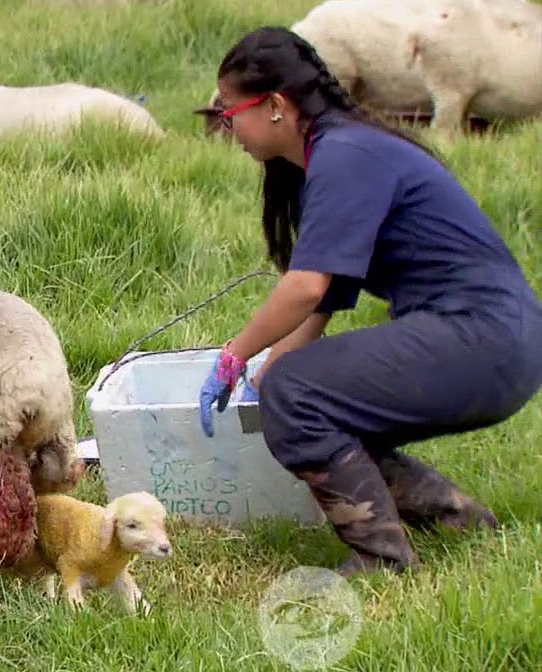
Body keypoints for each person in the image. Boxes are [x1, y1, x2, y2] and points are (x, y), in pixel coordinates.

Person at [197, 27, 542, 577]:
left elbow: (306, 285)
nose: (225, 125)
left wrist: (234, 356)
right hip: (501, 339)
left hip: (484, 337)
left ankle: (383, 559)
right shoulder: (337, 151)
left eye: (229, 111)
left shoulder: (344, 155)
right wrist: (270, 368)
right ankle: (457, 519)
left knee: (297, 394)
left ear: (276, 106)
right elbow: (325, 298)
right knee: (293, 389)